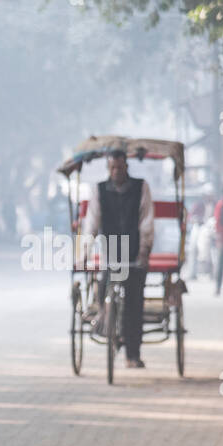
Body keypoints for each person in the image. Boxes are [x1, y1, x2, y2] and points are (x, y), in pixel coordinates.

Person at [83, 149, 153, 368]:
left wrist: (144, 251)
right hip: (110, 254)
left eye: (120, 167)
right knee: (103, 291)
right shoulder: (99, 189)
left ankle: (133, 354)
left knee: (135, 303)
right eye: (112, 167)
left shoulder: (141, 187)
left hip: (134, 254)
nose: (116, 171)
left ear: (126, 167)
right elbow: (91, 224)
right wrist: (82, 253)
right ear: (108, 168)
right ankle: (106, 323)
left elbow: (146, 221)